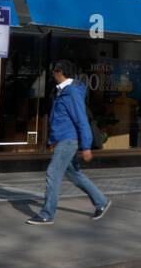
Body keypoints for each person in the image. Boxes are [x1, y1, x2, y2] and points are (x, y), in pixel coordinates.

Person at [27, 60, 111, 224]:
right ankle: (101, 202)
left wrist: (86, 146)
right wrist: (52, 140)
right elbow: (60, 119)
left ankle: (47, 214)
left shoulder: (71, 92)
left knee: (52, 174)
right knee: (75, 175)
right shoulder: (64, 91)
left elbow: (81, 119)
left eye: (53, 72)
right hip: (64, 139)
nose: (52, 75)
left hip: (68, 140)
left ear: (60, 72)